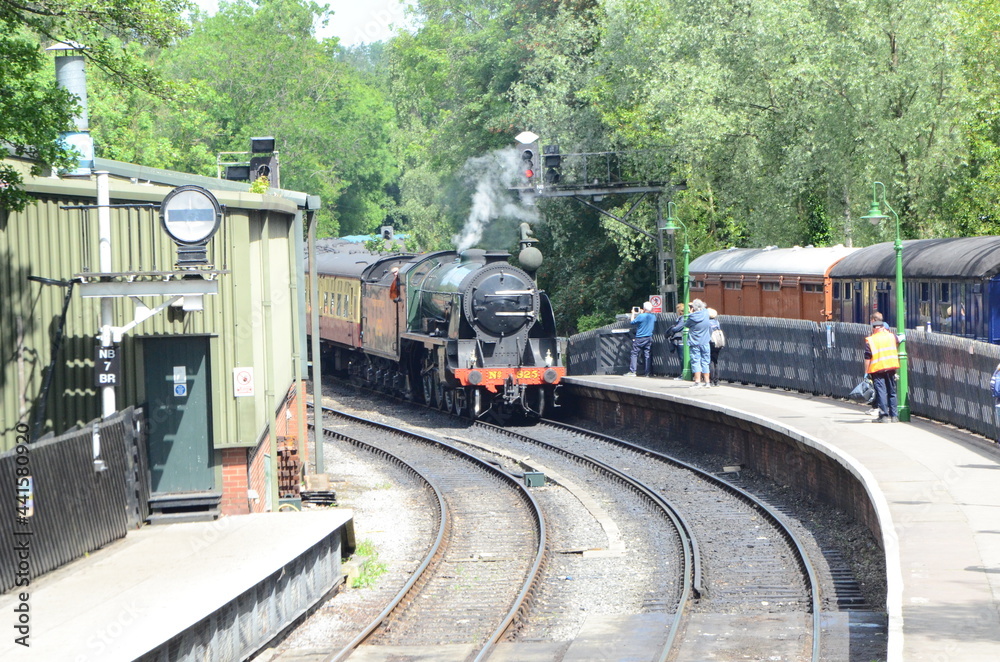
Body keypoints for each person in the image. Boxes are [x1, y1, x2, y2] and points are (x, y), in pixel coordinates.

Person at [864, 311, 900, 422]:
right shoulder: (891, 336)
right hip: (891, 367)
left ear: (874, 325)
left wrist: (866, 372)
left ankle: (884, 416)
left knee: (881, 392)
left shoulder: (871, 340)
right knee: (892, 391)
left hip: (877, 369)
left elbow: (867, 358)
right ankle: (894, 416)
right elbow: (898, 341)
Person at [683, 298, 712, 387]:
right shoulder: (706, 313)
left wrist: (691, 312)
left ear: (693, 308)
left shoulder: (692, 317)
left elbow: (686, 325)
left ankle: (697, 382)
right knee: (705, 362)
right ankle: (707, 382)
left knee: (696, 361)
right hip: (705, 342)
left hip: (695, 342)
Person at [626, 301, 656, 377]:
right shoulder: (653, 316)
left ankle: (633, 371)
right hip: (649, 337)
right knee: (647, 354)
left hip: (640, 337)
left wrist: (633, 313)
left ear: (644, 308)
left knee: (634, 353)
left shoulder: (641, 316)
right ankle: (648, 372)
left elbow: (632, 322)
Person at [668, 303, 686, 378]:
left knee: (682, 358)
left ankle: (683, 374)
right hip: (680, 340)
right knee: (681, 358)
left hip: (681, 340)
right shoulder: (680, 318)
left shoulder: (683, 318)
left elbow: (677, 328)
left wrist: (672, 328)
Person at [708, 308, 724, 386]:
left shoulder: (707, 323)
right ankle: (716, 381)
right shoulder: (716, 322)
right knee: (716, 361)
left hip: (711, 342)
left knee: (710, 361)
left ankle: (711, 380)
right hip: (718, 343)